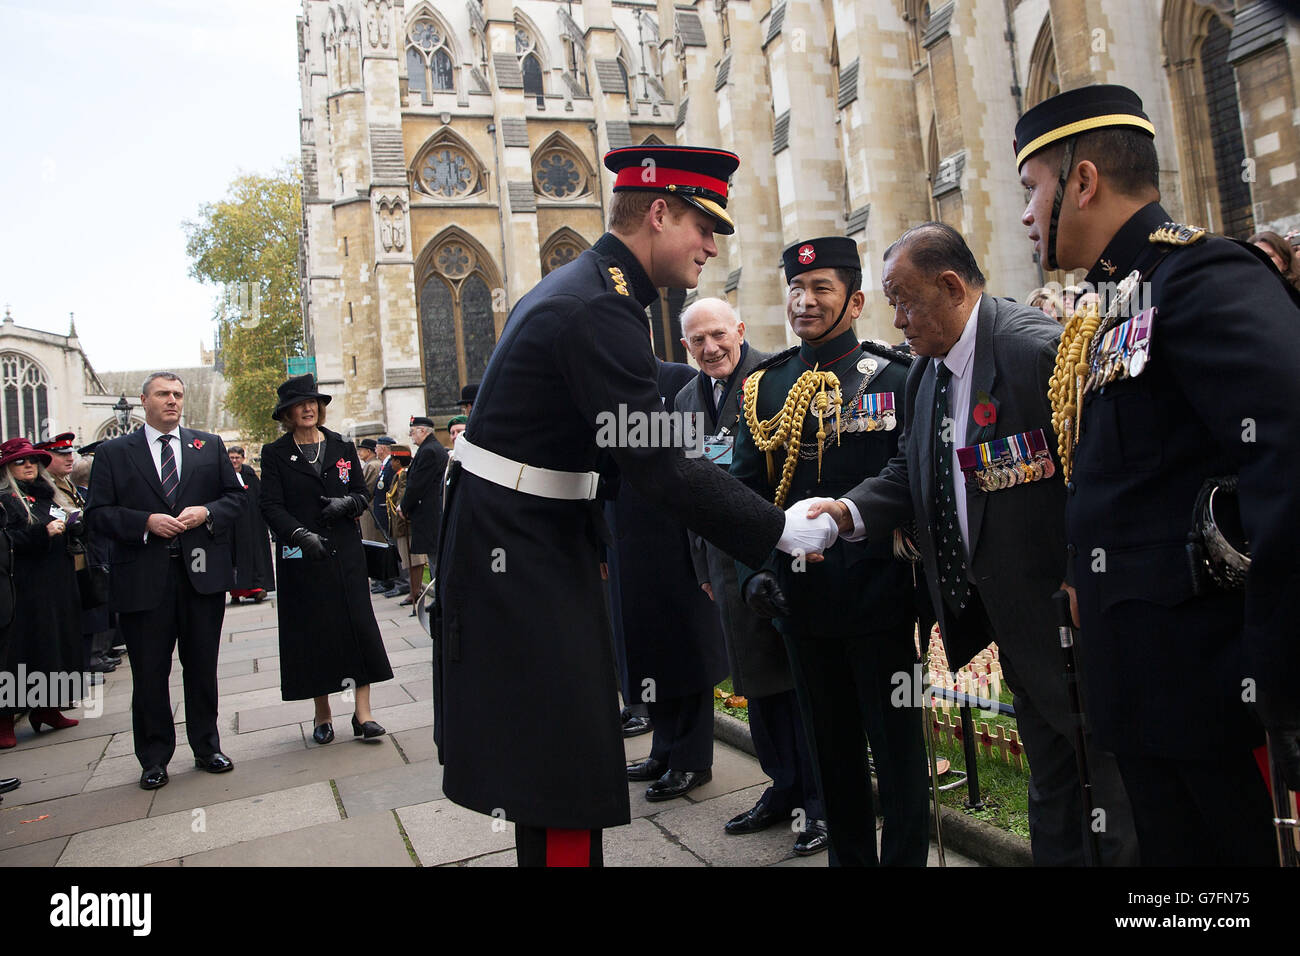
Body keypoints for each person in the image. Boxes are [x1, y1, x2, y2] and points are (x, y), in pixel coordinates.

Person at [434, 144, 837, 867]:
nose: (712, 246)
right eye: (703, 227)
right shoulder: (599, 305)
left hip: (529, 536)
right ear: (659, 213)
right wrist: (780, 528)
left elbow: (629, 414)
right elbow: (661, 465)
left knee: (558, 751)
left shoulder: (591, 290)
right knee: (558, 762)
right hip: (522, 547)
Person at [1013, 84, 1300, 864]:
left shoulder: (1202, 277)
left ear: (1083, 180)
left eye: (1032, 188)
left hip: (1215, 696)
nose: (1027, 215)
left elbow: (1288, 461)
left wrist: (1278, 682)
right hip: (1148, 692)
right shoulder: (1119, 298)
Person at [809, 223, 1137, 866]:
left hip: (1071, 624)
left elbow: (1109, 474)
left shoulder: (1035, 352)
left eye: (903, 300)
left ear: (952, 286)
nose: (896, 319)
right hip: (1010, 619)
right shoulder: (928, 371)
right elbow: (913, 468)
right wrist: (846, 512)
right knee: (1054, 787)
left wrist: (1083, 574)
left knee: (1109, 797)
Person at [729, 236, 926, 866]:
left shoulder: (896, 376)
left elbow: (911, 479)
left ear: (856, 300)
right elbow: (743, 494)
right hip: (802, 604)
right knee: (830, 755)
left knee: (897, 757)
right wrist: (753, 573)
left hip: (880, 603)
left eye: (821, 289)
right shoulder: (765, 385)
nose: (804, 301)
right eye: (796, 288)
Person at [673, 297, 824, 853]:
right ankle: (782, 787)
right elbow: (690, 489)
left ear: (740, 329)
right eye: (697, 341)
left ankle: (819, 801)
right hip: (721, 562)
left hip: (773, 558)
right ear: (684, 346)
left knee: (795, 682)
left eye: (718, 334)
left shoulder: (778, 378)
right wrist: (701, 566)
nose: (710, 348)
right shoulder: (688, 398)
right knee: (755, 682)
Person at [85, 371, 245, 789]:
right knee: (150, 673)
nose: (172, 400)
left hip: (200, 578)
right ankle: (154, 758)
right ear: (144, 400)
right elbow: (97, 514)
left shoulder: (207, 446)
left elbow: (235, 499)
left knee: (201, 668)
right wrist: (145, 522)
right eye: (162, 394)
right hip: (143, 580)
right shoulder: (115, 453)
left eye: (177, 394)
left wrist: (205, 513)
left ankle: (207, 746)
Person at [614, 358, 728, 802]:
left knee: (687, 651)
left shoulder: (678, 380)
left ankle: (692, 760)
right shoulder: (609, 387)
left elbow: (698, 460)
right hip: (628, 538)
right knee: (647, 649)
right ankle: (663, 749)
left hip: (677, 539)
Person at [258, 374, 393, 745]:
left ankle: (363, 714)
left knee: (357, 626)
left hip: (345, 552)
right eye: (300, 404)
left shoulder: (340, 445)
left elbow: (361, 493)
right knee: (315, 632)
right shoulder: (274, 454)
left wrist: (348, 503)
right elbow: (269, 505)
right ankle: (323, 712)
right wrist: (298, 534)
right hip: (302, 555)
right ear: (287, 412)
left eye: (313, 402)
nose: (308, 408)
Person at [0, 438, 84, 748]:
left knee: (56, 643)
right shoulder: (7, 500)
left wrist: (73, 525)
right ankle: (5, 719)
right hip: (24, 587)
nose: (28, 466)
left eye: (33, 460)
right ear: (8, 467)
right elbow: (8, 540)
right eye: (21, 462)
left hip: (57, 583)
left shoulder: (47, 495)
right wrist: (42, 532)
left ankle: (48, 708)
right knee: (22, 651)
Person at [398, 416, 447, 608]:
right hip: (430, 513)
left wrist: (405, 506)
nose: (411, 436)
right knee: (434, 557)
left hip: (430, 514)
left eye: (413, 432)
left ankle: (440, 598)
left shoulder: (429, 451)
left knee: (435, 559)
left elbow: (417, 484)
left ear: (423, 431)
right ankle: (439, 598)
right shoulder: (430, 449)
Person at [226, 445, 274, 604]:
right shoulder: (224, 474)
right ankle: (236, 592)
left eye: (237, 457)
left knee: (256, 555)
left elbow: (259, 496)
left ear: (243, 458)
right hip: (233, 526)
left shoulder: (249, 474)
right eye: (231, 458)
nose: (234, 461)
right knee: (235, 559)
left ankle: (257, 588)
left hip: (252, 523)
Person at [357, 438, 397, 587]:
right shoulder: (374, 465)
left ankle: (383, 579)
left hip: (372, 509)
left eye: (362, 450)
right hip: (371, 510)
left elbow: (366, 488)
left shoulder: (373, 465)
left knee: (376, 542)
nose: (359, 453)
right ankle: (379, 579)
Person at [371, 436, 404, 597]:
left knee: (394, 550)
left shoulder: (392, 465)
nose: (375, 450)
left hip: (388, 513)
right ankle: (390, 580)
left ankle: (398, 582)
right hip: (383, 513)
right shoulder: (385, 466)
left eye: (376, 447)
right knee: (389, 549)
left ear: (383, 448)